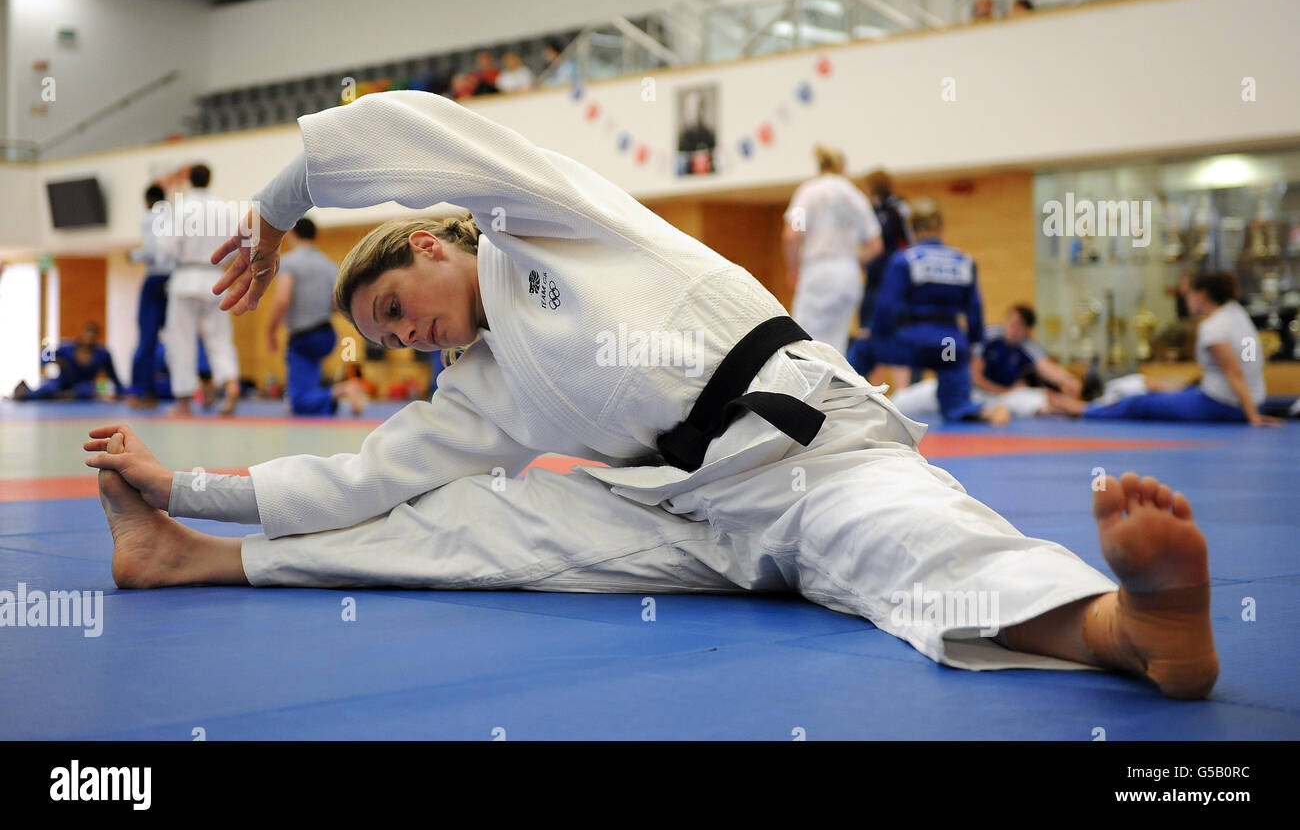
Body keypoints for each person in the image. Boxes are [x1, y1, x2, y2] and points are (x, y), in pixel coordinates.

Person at [86, 90, 1219, 701]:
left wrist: (282, 208)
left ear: (432, 241)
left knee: (906, 544)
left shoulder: (542, 218)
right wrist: (186, 487)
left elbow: (403, 122)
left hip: (805, 449)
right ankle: (184, 553)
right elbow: (355, 476)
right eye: (385, 338)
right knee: (456, 521)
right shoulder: (479, 392)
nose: (403, 336)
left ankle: (1130, 628)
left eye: (394, 306)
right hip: (683, 512)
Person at [870, 199, 1008, 425]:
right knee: (955, 402)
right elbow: (974, 311)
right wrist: (973, 345)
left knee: (862, 351)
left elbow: (886, 307)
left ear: (913, 230)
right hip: (949, 345)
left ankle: (850, 407)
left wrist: (877, 334)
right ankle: (966, 410)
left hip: (912, 341)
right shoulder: (964, 261)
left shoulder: (905, 259)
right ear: (941, 228)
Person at [1083, 273, 1280, 426]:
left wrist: (1253, 417)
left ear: (1202, 294)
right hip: (1246, 401)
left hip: (1224, 406)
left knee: (1139, 403)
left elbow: (1234, 372)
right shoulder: (1235, 311)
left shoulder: (1214, 327)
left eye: (1188, 294)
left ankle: (1085, 410)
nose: (1185, 301)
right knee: (1154, 386)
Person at [890, 305, 1085, 419]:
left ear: (1027, 330)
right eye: (1010, 322)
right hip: (967, 389)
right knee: (906, 400)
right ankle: (887, 405)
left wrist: (1068, 381)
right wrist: (1005, 392)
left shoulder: (1027, 346)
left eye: (1018, 326)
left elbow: (1047, 368)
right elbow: (975, 377)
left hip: (1000, 397)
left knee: (1041, 400)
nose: (1012, 329)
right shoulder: (989, 337)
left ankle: (1079, 409)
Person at [158, 163, 241, 416]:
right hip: (215, 278)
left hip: (185, 278)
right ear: (209, 179)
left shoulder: (180, 208)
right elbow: (237, 246)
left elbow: (166, 248)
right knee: (220, 338)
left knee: (181, 341)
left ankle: (184, 402)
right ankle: (230, 384)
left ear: (189, 181)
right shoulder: (225, 209)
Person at [782, 145, 881, 355]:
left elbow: (793, 234)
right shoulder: (856, 196)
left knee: (804, 342)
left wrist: (793, 267)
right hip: (848, 272)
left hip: (820, 269)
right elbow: (875, 245)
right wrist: (852, 261)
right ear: (844, 167)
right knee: (836, 344)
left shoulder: (809, 192)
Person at [265, 218, 366, 415]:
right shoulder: (328, 265)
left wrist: (271, 330)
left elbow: (282, 300)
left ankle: (343, 389)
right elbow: (337, 305)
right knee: (309, 384)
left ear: (292, 234)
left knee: (299, 402)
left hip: (303, 337)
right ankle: (329, 401)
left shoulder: (289, 262)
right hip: (326, 335)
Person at [846, 168, 911, 381]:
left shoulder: (897, 208)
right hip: (874, 282)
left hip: (893, 282)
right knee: (867, 334)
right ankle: (870, 392)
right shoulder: (869, 212)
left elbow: (906, 244)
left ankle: (903, 394)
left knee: (895, 334)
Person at [126, 184, 172, 408]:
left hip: (156, 279)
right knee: (181, 338)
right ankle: (202, 382)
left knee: (147, 339)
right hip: (174, 279)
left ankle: (145, 392)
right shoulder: (176, 216)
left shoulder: (149, 217)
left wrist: (134, 256)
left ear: (148, 200)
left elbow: (153, 251)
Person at [12, 322, 121, 401]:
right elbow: (45, 358)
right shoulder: (66, 348)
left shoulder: (103, 354)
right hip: (62, 382)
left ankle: (61, 396)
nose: (90, 337)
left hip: (83, 386)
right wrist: (54, 361)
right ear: (82, 335)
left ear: (97, 338)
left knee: (87, 390)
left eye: (93, 335)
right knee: (49, 388)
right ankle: (24, 392)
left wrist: (122, 392)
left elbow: (114, 376)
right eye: (88, 333)